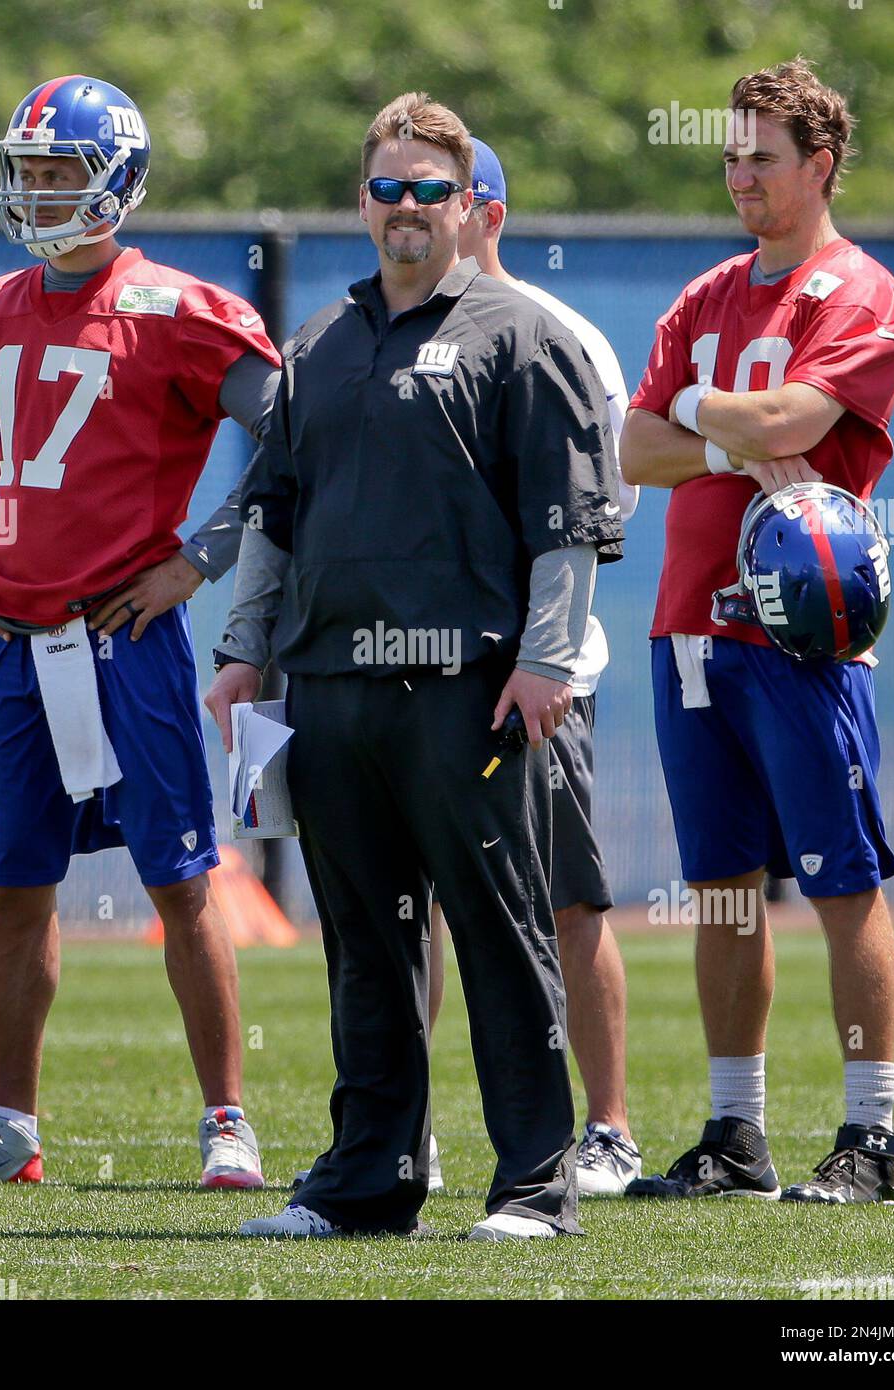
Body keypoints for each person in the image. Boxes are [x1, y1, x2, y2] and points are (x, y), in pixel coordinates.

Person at [208, 92, 623, 1241]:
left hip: (467, 694)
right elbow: (272, 515)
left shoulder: (519, 333)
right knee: (366, 950)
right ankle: (366, 1181)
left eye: (429, 190)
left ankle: (536, 1186)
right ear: (362, 201)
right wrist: (245, 651)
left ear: (465, 203)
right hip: (332, 695)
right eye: (387, 188)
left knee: (500, 938)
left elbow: (571, 524)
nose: (406, 208)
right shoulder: (319, 344)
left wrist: (544, 662)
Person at [0, 75, 281, 1187]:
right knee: (15, 885)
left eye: (64, 172)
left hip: (127, 638)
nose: (42, 192)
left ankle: (227, 1121)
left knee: (180, 877)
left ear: (121, 182)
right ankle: (9, 1123)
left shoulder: (181, 309)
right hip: (17, 641)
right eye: (31, 172)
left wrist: (194, 562)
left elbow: (290, 443)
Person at [620, 58, 894, 1203]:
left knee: (842, 882)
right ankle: (734, 1135)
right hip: (689, 621)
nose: (742, 174)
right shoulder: (705, 295)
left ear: (821, 165)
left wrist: (694, 408)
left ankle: (869, 1137)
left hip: (803, 628)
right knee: (725, 889)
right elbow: (632, 450)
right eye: (731, 154)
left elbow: (794, 417)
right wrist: (716, 435)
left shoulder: (863, 293)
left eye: (764, 156)